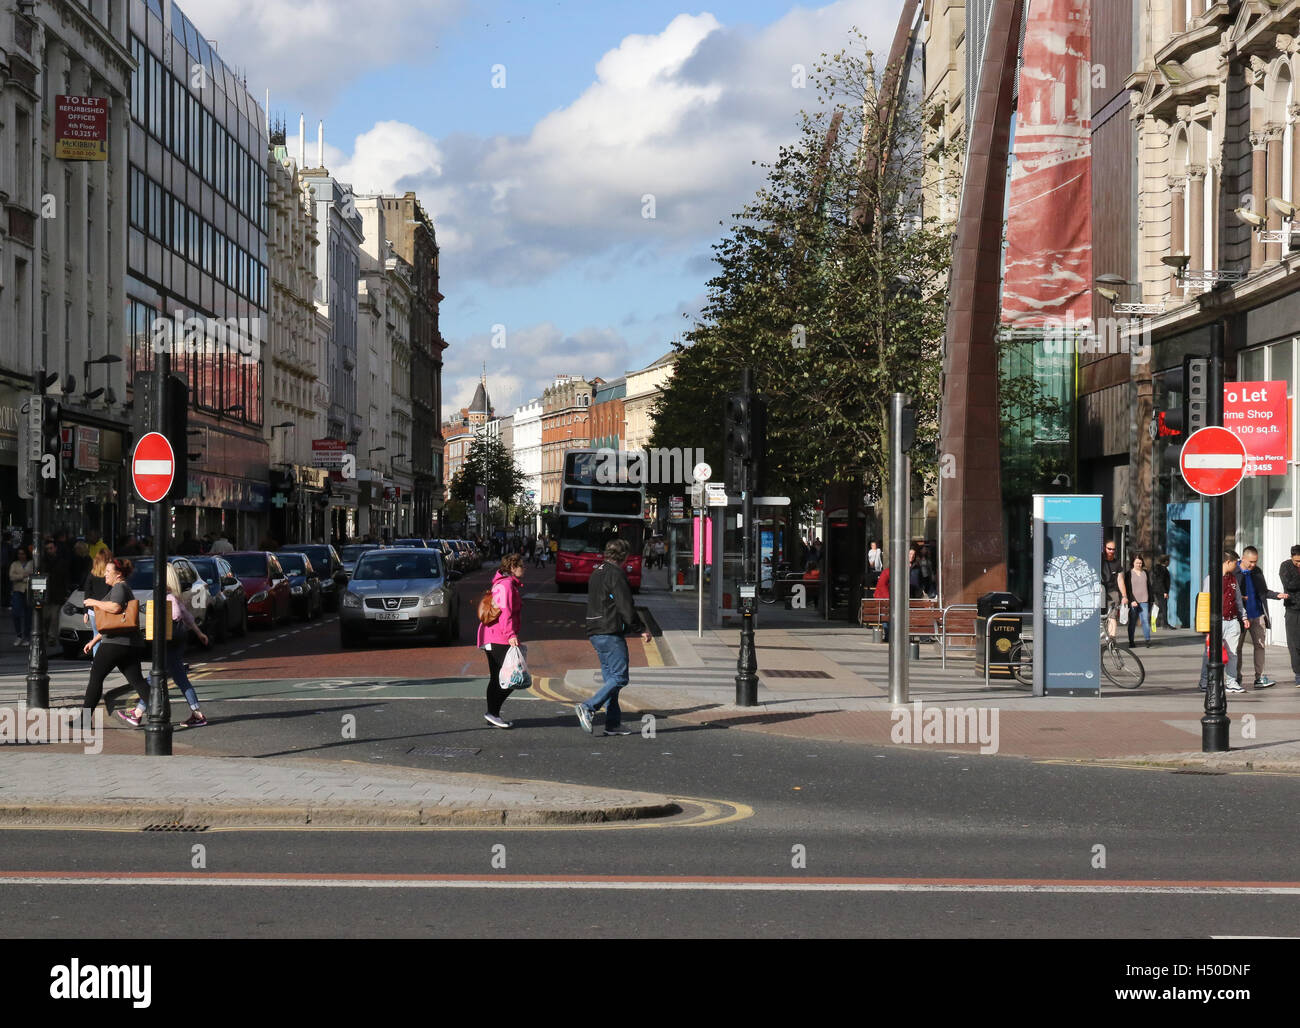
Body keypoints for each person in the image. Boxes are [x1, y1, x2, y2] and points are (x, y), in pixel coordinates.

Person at [119, 564, 211, 728]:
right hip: (178, 641)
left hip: (168, 642)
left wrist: (162, 619)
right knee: (179, 678)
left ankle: (138, 713)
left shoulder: (168, 598)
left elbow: (175, 615)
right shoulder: (173, 596)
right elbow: (188, 617)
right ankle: (197, 714)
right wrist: (199, 633)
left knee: (155, 676)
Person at [575, 538, 650, 736]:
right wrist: (640, 628)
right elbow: (625, 606)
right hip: (610, 631)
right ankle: (588, 707)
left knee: (611, 680)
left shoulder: (597, 572)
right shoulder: (616, 574)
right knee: (619, 677)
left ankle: (613, 723)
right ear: (624, 556)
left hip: (595, 631)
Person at [81, 557, 150, 719]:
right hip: (128, 643)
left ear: (118, 574)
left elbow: (115, 608)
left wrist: (94, 602)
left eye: (108, 571)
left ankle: (83, 720)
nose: (105, 574)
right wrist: (94, 640)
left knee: (96, 677)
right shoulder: (122, 587)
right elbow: (114, 623)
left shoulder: (119, 587)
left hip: (115, 643)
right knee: (138, 681)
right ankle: (160, 711)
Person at [477, 553, 525, 729]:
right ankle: (492, 713)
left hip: (493, 636)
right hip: (499, 637)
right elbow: (505, 613)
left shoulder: (504, 584)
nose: (524, 569)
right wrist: (511, 634)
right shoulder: (505, 586)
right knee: (513, 678)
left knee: (497, 677)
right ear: (513, 568)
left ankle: (493, 714)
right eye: (521, 566)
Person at [1233, 546, 1287, 689]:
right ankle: (1236, 678)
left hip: (1257, 615)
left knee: (1260, 646)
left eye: (1255, 561)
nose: (1253, 565)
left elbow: (1263, 591)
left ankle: (1259, 677)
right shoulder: (1234, 572)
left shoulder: (1257, 572)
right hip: (1240, 617)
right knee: (1236, 648)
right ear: (1243, 559)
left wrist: (1277, 595)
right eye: (1250, 561)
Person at [1198, 551, 1248, 694]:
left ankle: (1231, 682)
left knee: (1233, 653)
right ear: (1228, 562)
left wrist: (1243, 617)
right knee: (1210, 653)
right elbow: (1205, 600)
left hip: (1232, 621)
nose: (1236, 565)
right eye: (1235, 563)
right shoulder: (1211, 578)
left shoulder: (1233, 579)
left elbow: (1238, 599)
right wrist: (1207, 624)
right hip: (1217, 621)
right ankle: (1205, 681)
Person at [81, 548, 114, 658]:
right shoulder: (109, 575)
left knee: (96, 635)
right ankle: (105, 660)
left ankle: (96, 661)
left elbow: (87, 593)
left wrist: (85, 612)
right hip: (106, 608)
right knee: (107, 637)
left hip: (93, 610)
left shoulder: (92, 574)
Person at [1279, 545, 1300, 687]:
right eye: (1296, 561)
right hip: (1293, 609)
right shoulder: (1285, 566)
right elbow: (1289, 585)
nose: (1298, 564)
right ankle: (1298, 674)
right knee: (1294, 644)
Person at [1121, 554, 1153, 648]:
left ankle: (1148, 640)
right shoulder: (1129, 573)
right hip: (1133, 602)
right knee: (1132, 622)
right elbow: (1127, 588)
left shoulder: (1145, 572)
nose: (1139, 564)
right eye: (1137, 563)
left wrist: (1152, 600)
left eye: (1140, 563)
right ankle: (1131, 641)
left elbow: (1149, 586)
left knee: (1145, 621)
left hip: (1144, 600)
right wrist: (1131, 600)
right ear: (1133, 563)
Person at [1100, 539, 1127, 639]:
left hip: (1112, 591)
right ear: (1104, 548)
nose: (1111, 551)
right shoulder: (1099, 559)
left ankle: (1111, 639)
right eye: (1109, 549)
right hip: (1100, 591)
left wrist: (1124, 596)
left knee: (1112, 616)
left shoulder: (1117, 563)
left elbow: (1120, 580)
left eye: (1113, 549)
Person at [8, 546, 34, 646]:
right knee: (16, 613)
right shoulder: (14, 564)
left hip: (28, 591)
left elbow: (33, 575)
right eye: (19, 554)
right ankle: (19, 635)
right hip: (17, 590)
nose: (21, 555)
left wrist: (21, 577)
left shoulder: (31, 563)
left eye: (23, 553)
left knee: (28, 614)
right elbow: (11, 576)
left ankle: (27, 636)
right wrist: (23, 576)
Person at [1150, 554, 1172, 629]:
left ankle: (1153, 623)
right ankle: (1165, 624)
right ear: (1166, 561)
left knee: (1156, 606)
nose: (1169, 562)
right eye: (1168, 561)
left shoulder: (1157, 568)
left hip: (1156, 590)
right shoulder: (1163, 570)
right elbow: (1161, 581)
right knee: (1164, 607)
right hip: (1161, 591)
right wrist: (1164, 592)